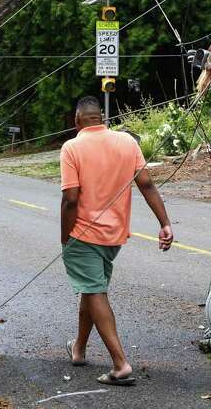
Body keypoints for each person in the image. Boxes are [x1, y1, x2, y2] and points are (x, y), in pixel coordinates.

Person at [59, 95, 173, 387]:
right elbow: (146, 183)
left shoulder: (71, 147)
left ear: (77, 121)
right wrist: (165, 223)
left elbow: (70, 199)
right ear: (102, 118)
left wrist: (65, 237)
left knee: (95, 291)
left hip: (82, 234)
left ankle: (121, 364)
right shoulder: (127, 142)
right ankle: (79, 349)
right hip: (114, 237)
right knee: (91, 288)